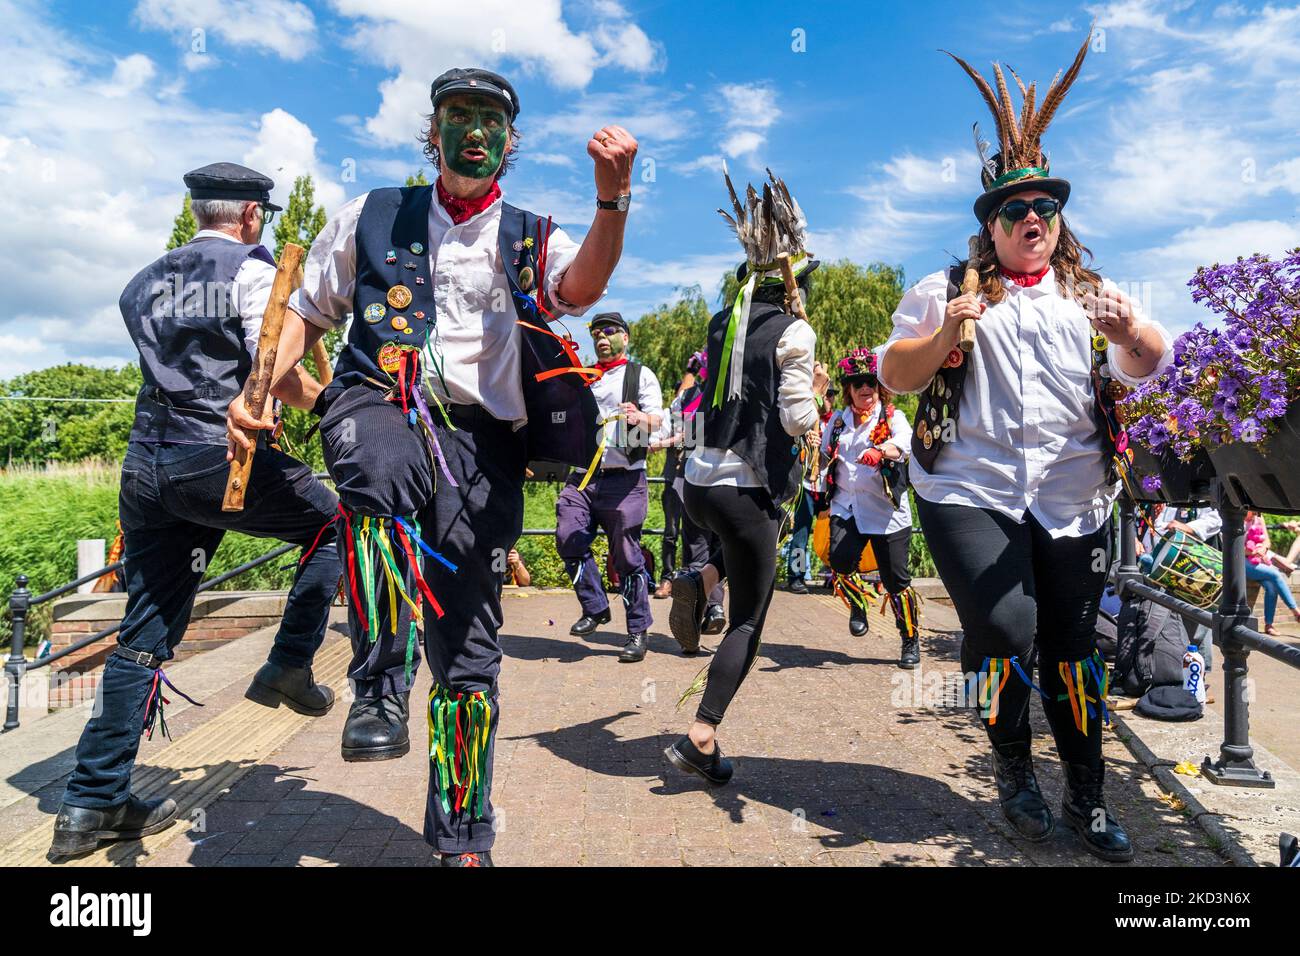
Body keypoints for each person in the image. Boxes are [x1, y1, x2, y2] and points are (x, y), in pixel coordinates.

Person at [228, 68, 637, 866]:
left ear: (509, 141)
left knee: (469, 651)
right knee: (374, 474)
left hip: (482, 448)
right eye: (458, 115)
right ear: (435, 130)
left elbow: (580, 288)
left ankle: (461, 835)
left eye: (490, 118)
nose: (474, 130)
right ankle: (378, 689)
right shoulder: (372, 214)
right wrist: (260, 391)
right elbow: (307, 313)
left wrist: (612, 197)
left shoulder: (528, 231)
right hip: (379, 401)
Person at [878, 31, 1174, 862]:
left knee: (1076, 652)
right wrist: (942, 337)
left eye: (1046, 208)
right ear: (993, 224)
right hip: (967, 488)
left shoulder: (1090, 295)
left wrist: (1131, 331)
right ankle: (1013, 769)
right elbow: (895, 374)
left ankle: (1088, 792)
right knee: (1007, 632)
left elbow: (1148, 362)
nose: (1033, 219)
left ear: (1058, 220)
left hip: (1073, 498)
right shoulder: (945, 290)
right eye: (1016, 210)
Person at [49, 163, 341, 862]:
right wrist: (342, 405)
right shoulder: (253, 270)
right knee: (334, 521)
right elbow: (273, 374)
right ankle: (290, 663)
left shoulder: (141, 282)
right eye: (260, 217)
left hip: (146, 467)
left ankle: (89, 805)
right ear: (249, 216)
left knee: (142, 636)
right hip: (217, 456)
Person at [664, 167, 827, 785]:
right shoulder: (796, 330)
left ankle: (703, 575)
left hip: (699, 484)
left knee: (738, 551)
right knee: (749, 619)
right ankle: (701, 737)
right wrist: (813, 391)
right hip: (746, 485)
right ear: (793, 283)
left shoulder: (720, 324)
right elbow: (792, 419)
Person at [555, 311, 664, 663]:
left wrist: (641, 418)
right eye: (597, 333)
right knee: (567, 535)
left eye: (610, 332)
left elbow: (660, 422)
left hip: (626, 478)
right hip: (584, 476)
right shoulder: (585, 378)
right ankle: (596, 606)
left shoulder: (640, 375)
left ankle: (637, 631)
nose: (602, 338)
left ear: (625, 338)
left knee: (627, 556)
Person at [820, 347, 920, 667]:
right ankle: (858, 604)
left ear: (879, 388)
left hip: (886, 510)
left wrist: (881, 451)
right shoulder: (838, 421)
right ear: (848, 390)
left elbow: (903, 445)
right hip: (846, 504)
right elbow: (824, 452)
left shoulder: (893, 417)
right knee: (839, 559)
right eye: (858, 383)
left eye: (871, 383)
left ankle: (909, 638)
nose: (865, 388)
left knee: (896, 582)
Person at [786, 383, 835, 594]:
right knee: (801, 535)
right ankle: (796, 576)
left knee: (835, 533)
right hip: (807, 484)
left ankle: (834, 575)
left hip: (830, 486)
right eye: (826, 394)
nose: (829, 398)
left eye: (832, 395)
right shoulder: (805, 419)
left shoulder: (837, 421)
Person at [1245, 512, 1300, 635]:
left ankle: (1269, 625)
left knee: (1271, 586)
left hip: (1258, 558)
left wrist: (1263, 549)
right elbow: (1231, 546)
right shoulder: (1235, 516)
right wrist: (1252, 552)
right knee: (1276, 574)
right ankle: (1296, 611)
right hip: (1241, 560)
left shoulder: (1258, 516)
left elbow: (1267, 541)